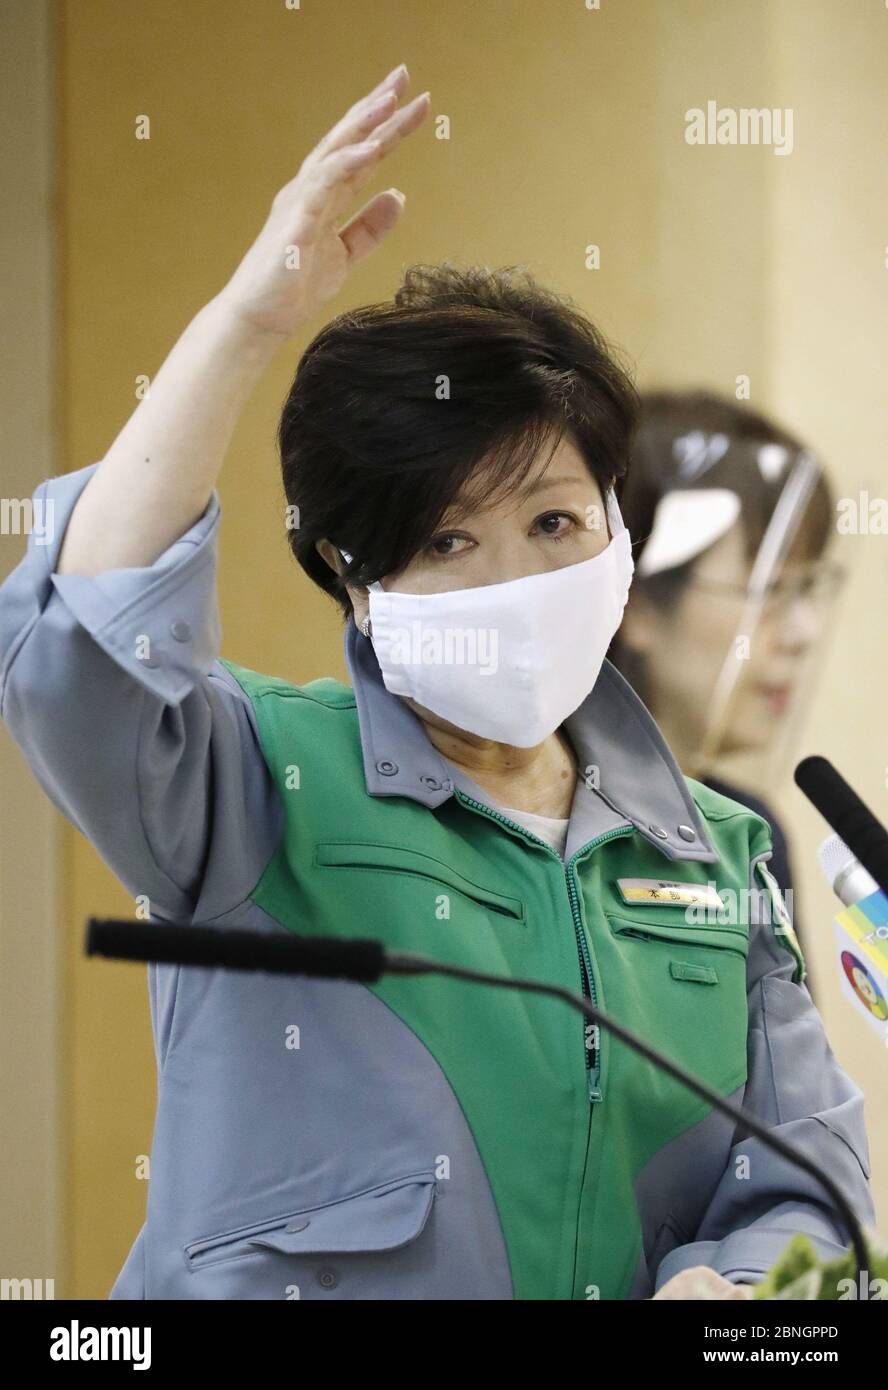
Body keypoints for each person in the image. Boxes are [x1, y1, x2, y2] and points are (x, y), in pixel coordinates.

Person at [0, 64, 874, 1301]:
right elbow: (84, 648)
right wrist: (246, 323)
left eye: (558, 523)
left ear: (619, 535)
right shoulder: (246, 780)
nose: (512, 578)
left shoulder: (715, 854)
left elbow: (815, 1200)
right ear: (356, 581)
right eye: (447, 542)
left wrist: (735, 1290)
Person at [608, 393, 847, 1001]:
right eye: (768, 588)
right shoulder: (554, 819)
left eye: (809, 589)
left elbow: (791, 1091)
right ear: (634, 600)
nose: (803, 634)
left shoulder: (749, 831)